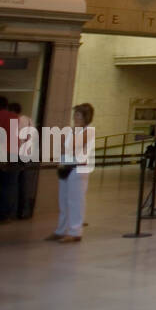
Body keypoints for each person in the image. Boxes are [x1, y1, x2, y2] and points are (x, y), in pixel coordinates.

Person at [45, 104, 94, 243]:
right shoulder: (73, 130)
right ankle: (61, 230)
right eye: (75, 114)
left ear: (86, 117)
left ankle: (75, 231)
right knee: (64, 200)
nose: (75, 117)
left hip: (78, 168)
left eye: (78, 115)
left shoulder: (87, 131)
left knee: (75, 201)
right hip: (66, 167)